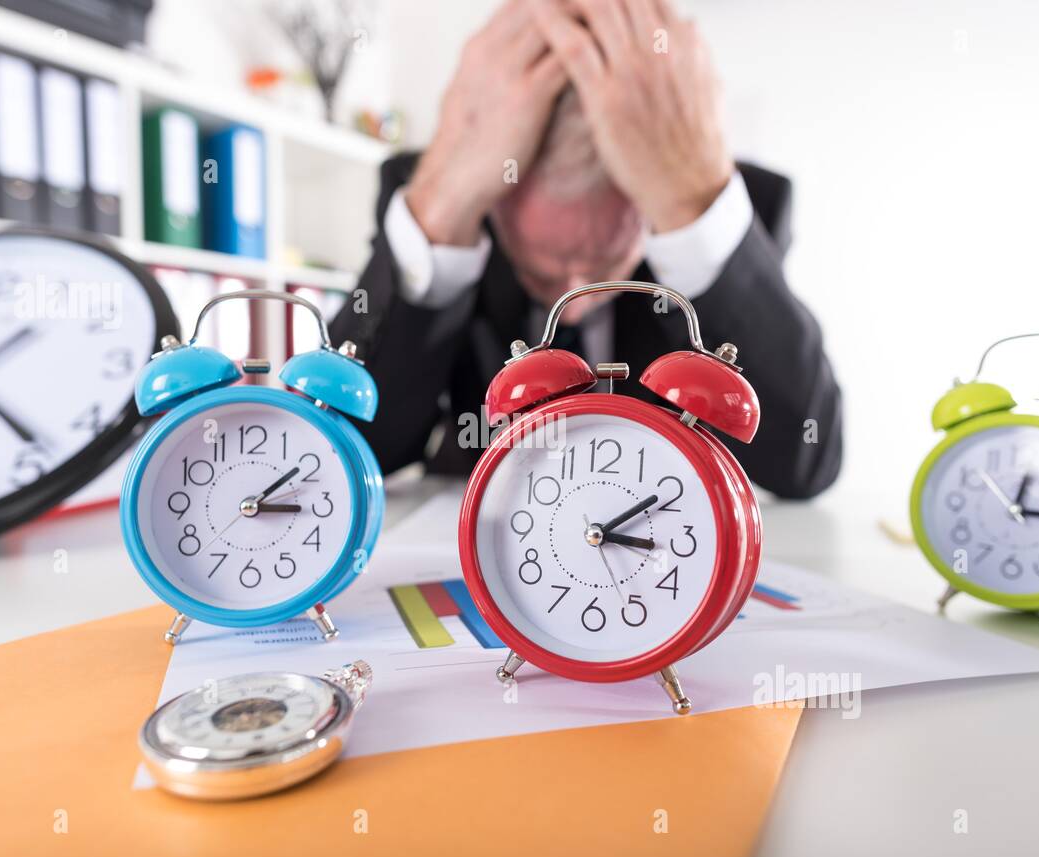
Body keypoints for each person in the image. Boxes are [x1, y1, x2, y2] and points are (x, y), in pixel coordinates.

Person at [332, 0, 842, 499]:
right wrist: (441, 212)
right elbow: (342, 449)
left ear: (647, 195)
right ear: (495, 196)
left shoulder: (725, 205)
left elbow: (805, 459)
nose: (573, 302)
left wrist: (691, 205)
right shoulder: (442, 193)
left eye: (602, 261)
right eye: (546, 270)